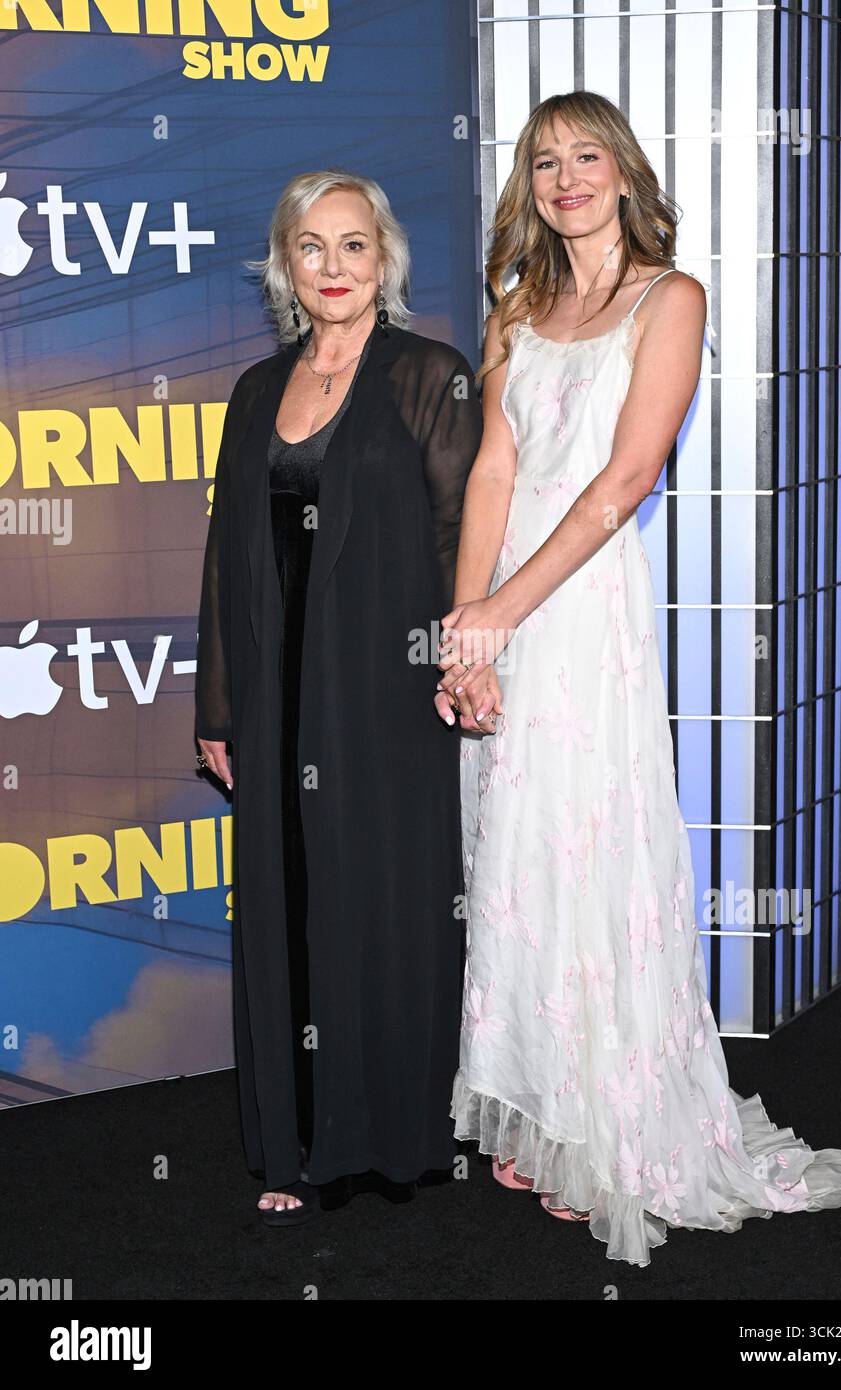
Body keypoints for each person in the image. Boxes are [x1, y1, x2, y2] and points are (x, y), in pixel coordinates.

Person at [436, 91, 841, 1266]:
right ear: (526, 187)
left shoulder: (668, 298)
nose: (565, 178)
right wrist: (463, 628)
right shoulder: (517, 309)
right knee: (510, 856)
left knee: (586, 849)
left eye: (586, 157)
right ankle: (538, 1101)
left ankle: (608, 1125)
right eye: (542, 163)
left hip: (579, 615)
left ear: (623, 173)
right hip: (503, 605)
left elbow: (627, 477)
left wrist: (505, 611)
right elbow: (488, 473)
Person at [195, 171, 482, 1224]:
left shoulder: (431, 375)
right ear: (284, 264)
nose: (332, 267)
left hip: (387, 689)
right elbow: (226, 562)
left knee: (386, 902)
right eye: (309, 247)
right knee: (286, 904)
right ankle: (296, 1146)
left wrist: (463, 658)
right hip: (275, 696)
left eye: (353, 246)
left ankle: (394, 1138)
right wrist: (217, 708)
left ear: (385, 259)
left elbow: (464, 541)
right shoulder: (254, 390)